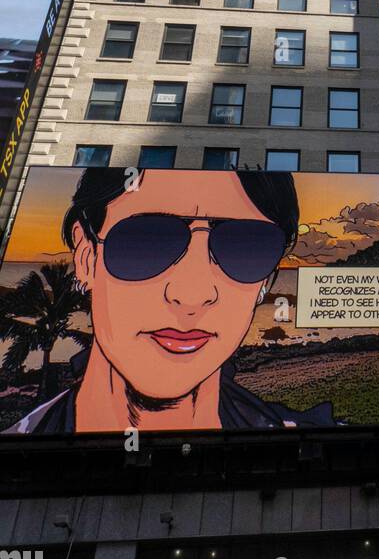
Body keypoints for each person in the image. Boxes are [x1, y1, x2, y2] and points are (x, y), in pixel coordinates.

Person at [3, 167, 336, 434]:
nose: (193, 294)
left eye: (245, 249)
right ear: (87, 256)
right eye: (147, 242)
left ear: (268, 278)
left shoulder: (298, 433)